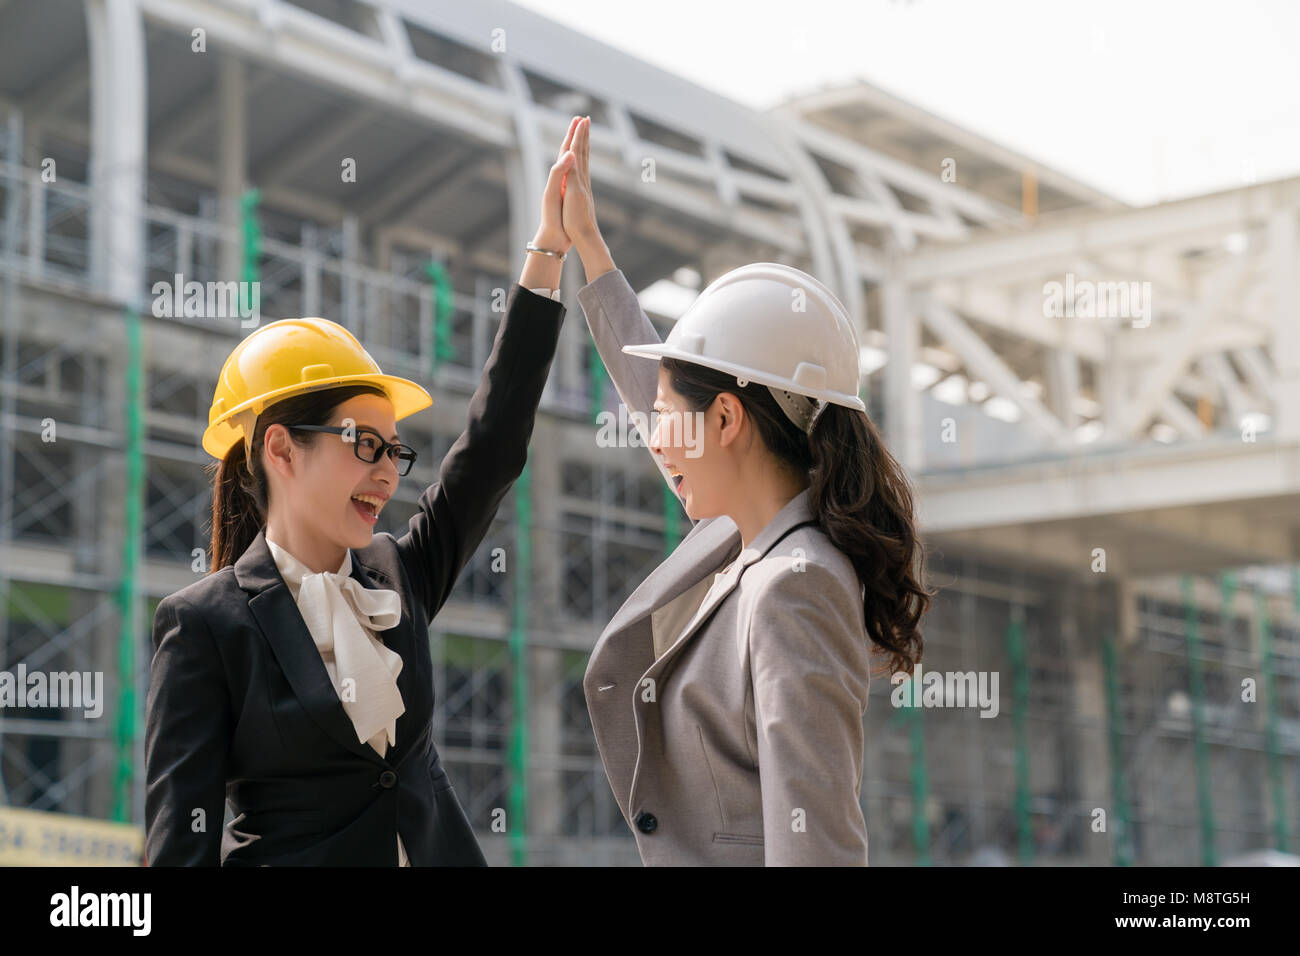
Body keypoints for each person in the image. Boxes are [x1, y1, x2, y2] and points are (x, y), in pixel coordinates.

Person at [143, 118, 585, 866]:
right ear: (281, 448)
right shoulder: (205, 627)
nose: (388, 471)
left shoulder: (397, 572)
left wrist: (547, 253)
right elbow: (177, 849)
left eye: (396, 451)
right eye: (365, 444)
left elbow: (492, 449)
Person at [561, 116, 931, 865]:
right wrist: (592, 254)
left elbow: (816, 843)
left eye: (672, 423)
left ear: (727, 418)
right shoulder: (745, 541)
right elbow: (656, 398)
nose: (655, 442)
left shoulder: (794, 585)